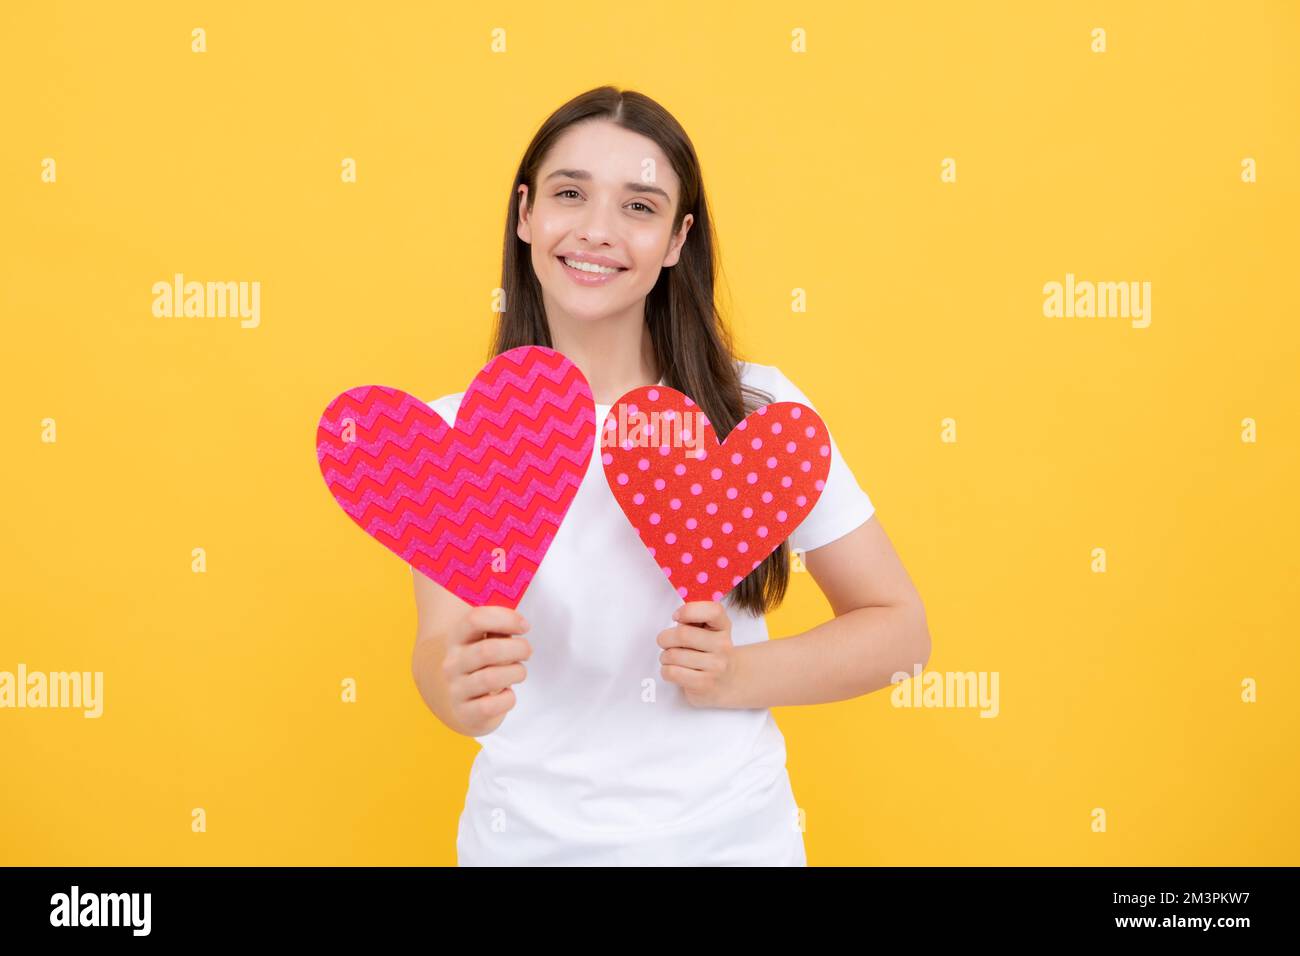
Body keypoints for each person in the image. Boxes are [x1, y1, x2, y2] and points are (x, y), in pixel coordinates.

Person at [410, 86, 930, 866]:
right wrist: (454, 689)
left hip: (732, 843)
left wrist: (735, 675)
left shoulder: (758, 414)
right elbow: (438, 647)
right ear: (525, 215)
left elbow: (900, 631)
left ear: (680, 239)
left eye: (640, 207)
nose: (596, 230)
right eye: (570, 193)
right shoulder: (454, 434)